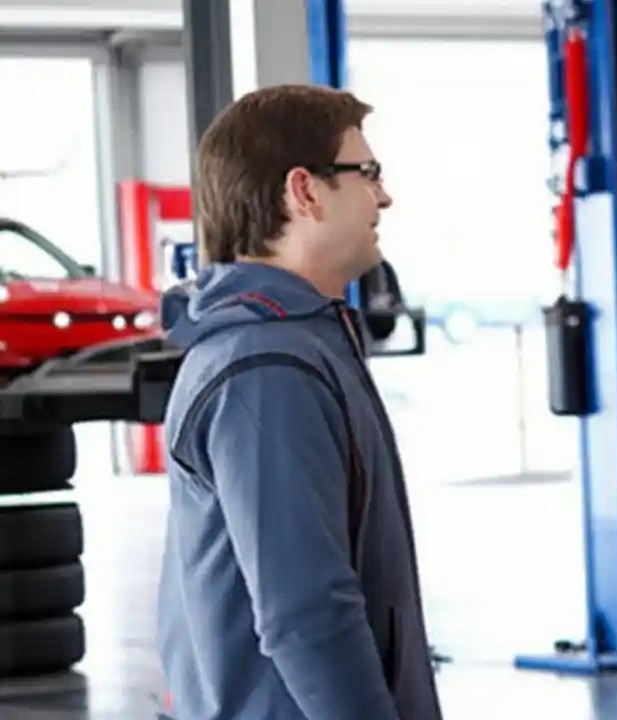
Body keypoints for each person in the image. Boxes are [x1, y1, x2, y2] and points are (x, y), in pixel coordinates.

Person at [156, 84, 442, 720]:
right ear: (304, 190)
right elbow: (305, 611)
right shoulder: (266, 368)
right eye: (366, 173)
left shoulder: (300, 342)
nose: (384, 195)